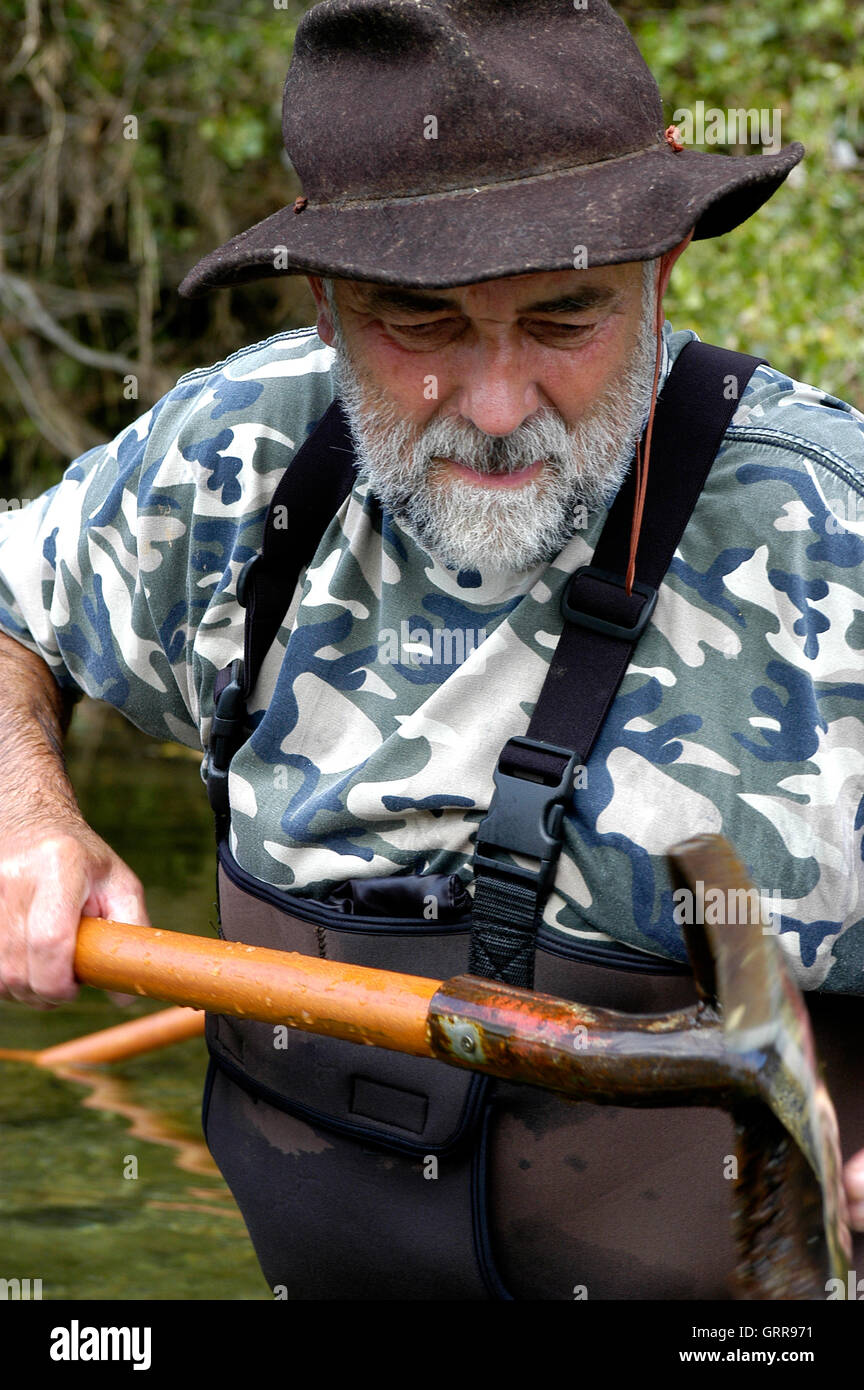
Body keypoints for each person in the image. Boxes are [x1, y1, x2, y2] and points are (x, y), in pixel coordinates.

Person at [0, 0, 862, 1300]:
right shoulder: (234, 466)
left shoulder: (831, 538)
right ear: (327, 298)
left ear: (665, 266)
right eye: (425, 322)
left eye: (567, 318)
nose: (499, 405)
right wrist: (27, 809)